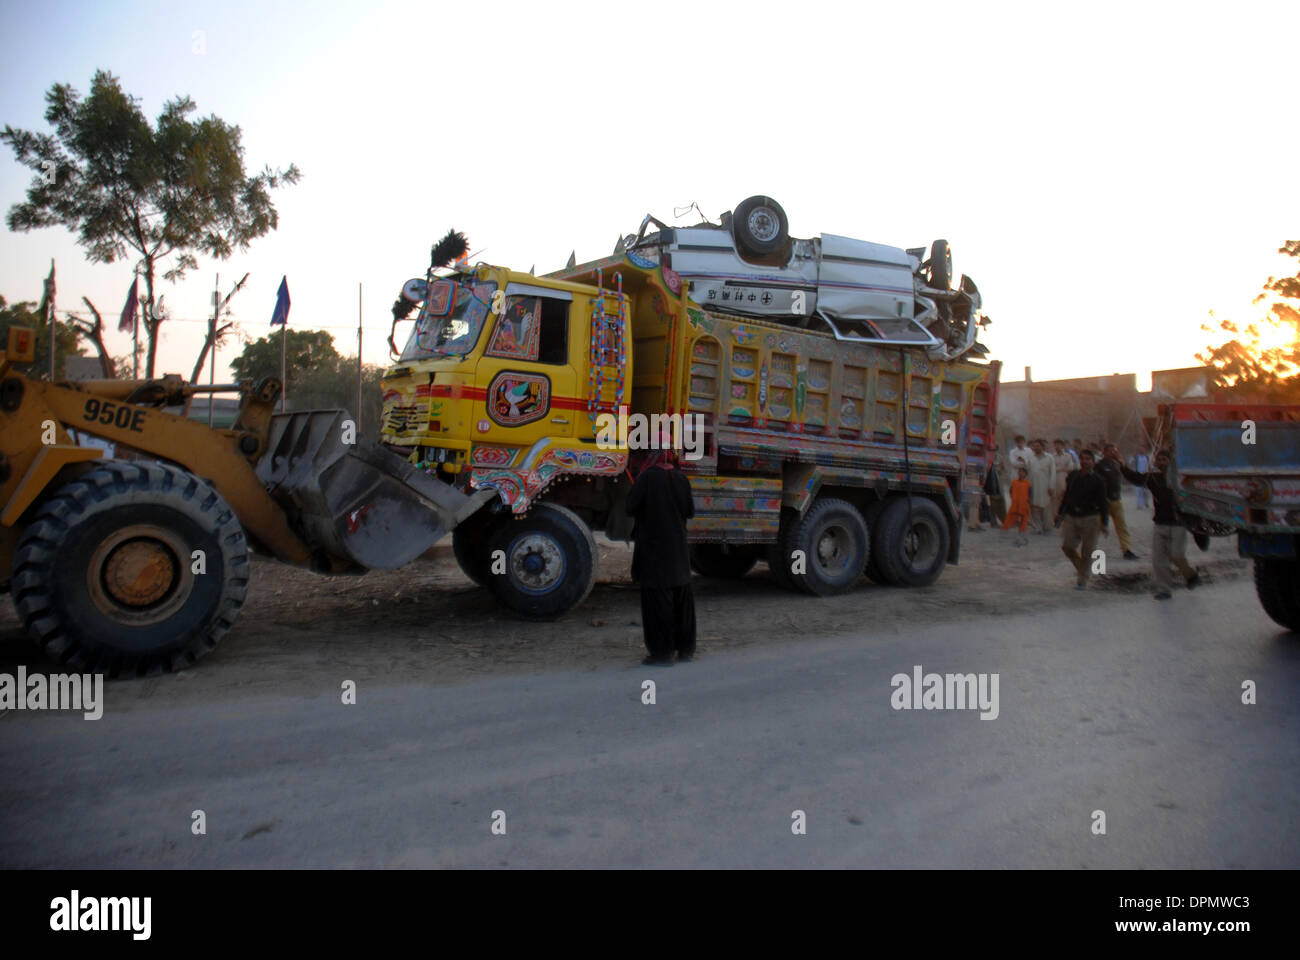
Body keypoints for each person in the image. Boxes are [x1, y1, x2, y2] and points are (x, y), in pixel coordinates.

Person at [627, 442, 697, 665]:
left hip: (654, 550)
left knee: (658, 603)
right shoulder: (681, 479)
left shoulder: (647, 478)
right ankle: (685, 650)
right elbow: (690, 511)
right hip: (678, 549)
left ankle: (663, 652)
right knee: (682, 600)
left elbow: (630, 507)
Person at [1120, 448, 1200, 600]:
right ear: (1155, 462)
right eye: (1159, 459)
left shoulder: (1179, 479)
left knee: (1177, 555)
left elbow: (1190, 497)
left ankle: (1191, 575)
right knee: (1159, 560)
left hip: (1178, 524)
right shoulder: (1153, 478)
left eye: (1164, 459)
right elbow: (1136, 478)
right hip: (1160, 523)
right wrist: (1122, 467)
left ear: (1170, 462)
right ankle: (1164, 589)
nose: (1161, 462)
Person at [1055, 449, 1110, 589]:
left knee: (1088, 551)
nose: (1085, 461)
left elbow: (1103, 503)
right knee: (1067, 546)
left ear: (1093, 462)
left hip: (1090, 518)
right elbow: (1067, 495)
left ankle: (1082, 580)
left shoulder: (1098, 480)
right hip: (1072, 517)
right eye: (1083, 458)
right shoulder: (1073, 476)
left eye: (1088, 459)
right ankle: (1083, 569)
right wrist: (1060, 513)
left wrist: (1104, 522)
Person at [1094, 442, 1137, 560]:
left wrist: (1121, 461)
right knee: (1097, 527)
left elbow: (1126, 473)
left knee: (1122, 526)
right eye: (1111, 451)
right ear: (1105, 452)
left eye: (1115, 451)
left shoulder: (1117, 464)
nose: (1113, 453)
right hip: (1104, 500)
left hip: (1116, 499)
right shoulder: (1099, 465)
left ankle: (1126, 550)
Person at [1025, 438, 1056, 534]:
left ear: (1042, 447)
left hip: (1045, 486)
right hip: (1033, 485)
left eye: (1038, 446)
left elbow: (1053, 473)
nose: (1035, 447)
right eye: (1034, 446)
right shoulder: (1030, 458)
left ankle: (1047, 526)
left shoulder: (1049, 457)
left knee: (1046, 506)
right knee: (1034, 507)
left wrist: (1051, 486)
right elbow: (1027, 471)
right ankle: (1037, 527)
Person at [1001, 466, 1032, 546]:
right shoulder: (1014, 482)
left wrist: (1028, 502)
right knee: (1010, 517)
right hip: (1015, 503)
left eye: (1022, 472)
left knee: (1024, 518)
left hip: (1024, 503)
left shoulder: (1028, 483)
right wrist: (1013, 498)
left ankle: (1022, 531)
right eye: (1019, 471)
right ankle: (1005, 529)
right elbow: (1010, 490)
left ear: (1025, 474)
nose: (1020, 473)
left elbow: (1030, 493)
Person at [1051, 439, 1074, 518]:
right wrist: (1062, 467)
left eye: (1059, 445)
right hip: (1054, 478)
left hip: (1064, 477)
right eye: (1056, 445)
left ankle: (1063, 514)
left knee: (1063, 496)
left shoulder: (1068, 456)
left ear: (1062, 446)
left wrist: (1061, 469)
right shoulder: (1052, 456)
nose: (1057, 447)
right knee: (1054, 498)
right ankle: (1055, 515)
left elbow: (1071, 467)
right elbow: (1052, 468)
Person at [1130, 442, 1151, 510]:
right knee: (1138, 491)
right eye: (1140, 449)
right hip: (1138, 475)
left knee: (1146, 491)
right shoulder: (1136, 457)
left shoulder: (1147, 457)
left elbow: (1150, 465)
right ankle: (1139, 505)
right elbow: (1131, 462)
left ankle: (1146, 502)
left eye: (1143, 449)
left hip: (1145, 475)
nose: (1141, 450)